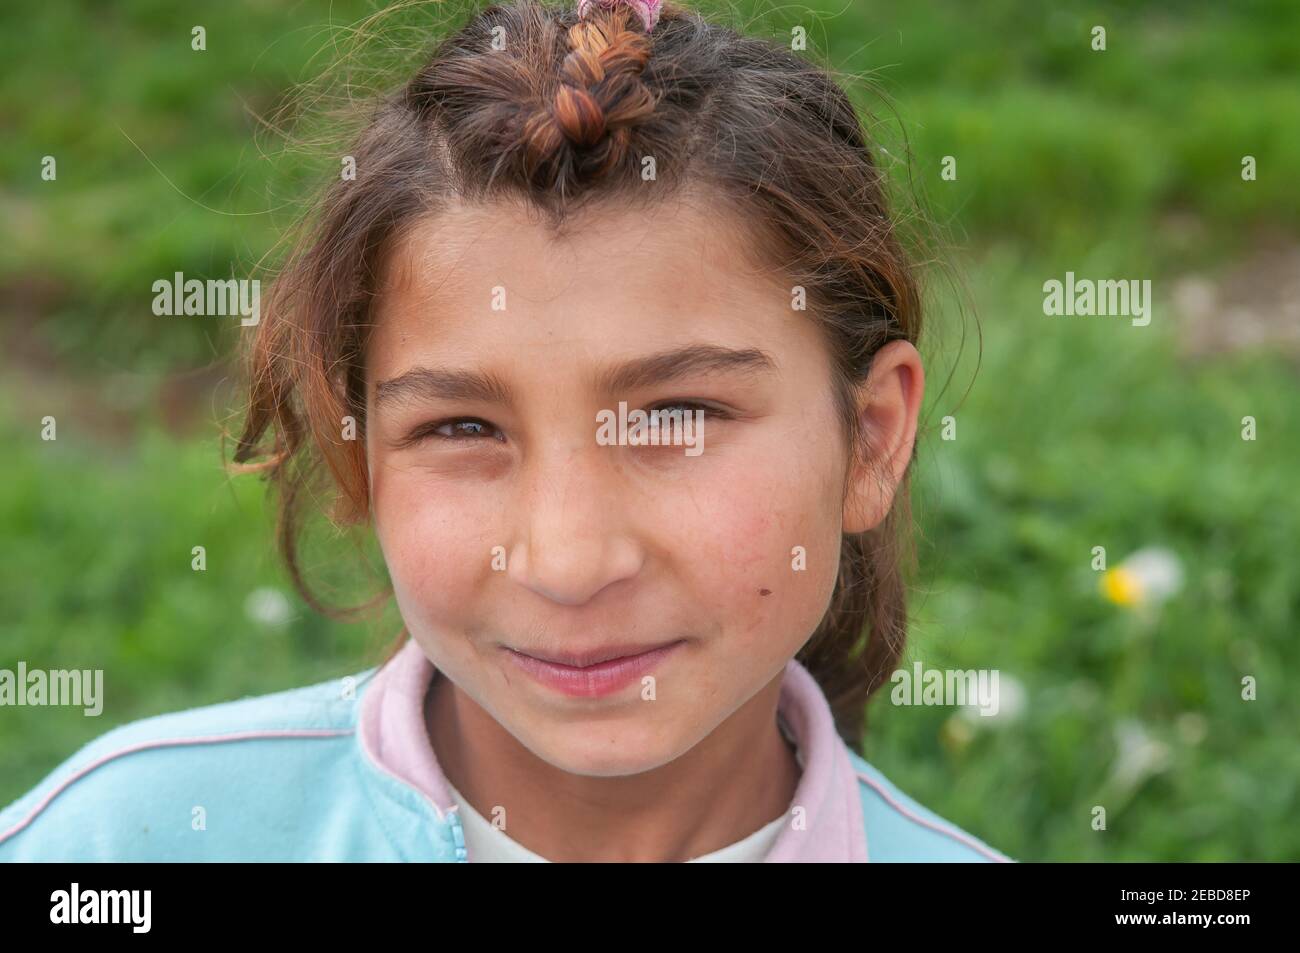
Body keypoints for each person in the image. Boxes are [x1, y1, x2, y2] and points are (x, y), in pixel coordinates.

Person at [0, 0, 1009, 862]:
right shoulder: (122, 845)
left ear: (871, 437)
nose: (567, 561)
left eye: (674, 416)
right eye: (462, 425)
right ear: (359, 454)